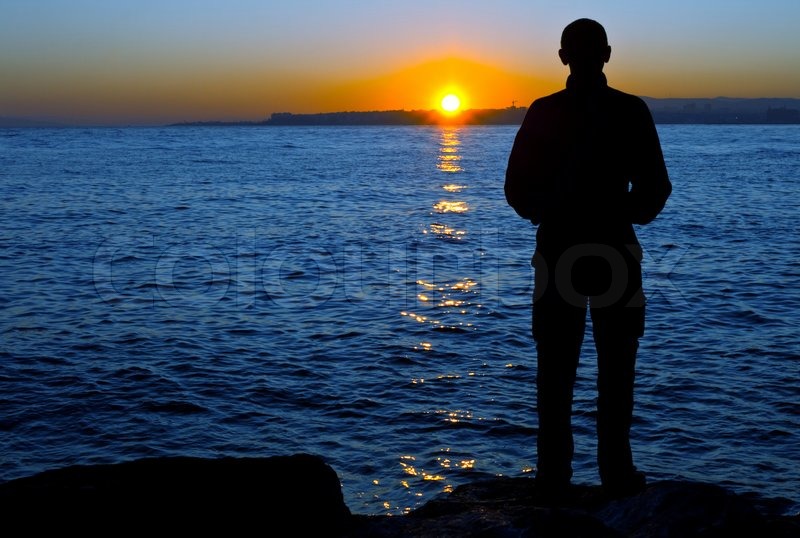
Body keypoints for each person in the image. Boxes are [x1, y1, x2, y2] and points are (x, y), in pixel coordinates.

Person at [504, 18, 671, 499]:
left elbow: (516, 189)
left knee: (555, 370)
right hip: (613, 249)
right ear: (608, 54)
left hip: (560, 251)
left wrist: (549, 212)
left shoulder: (543, 112)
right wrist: (621, 213)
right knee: (616, 368)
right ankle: (616, 475)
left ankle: (554, 479)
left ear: (562, 57)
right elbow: (656, 188)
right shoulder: (629, 111)